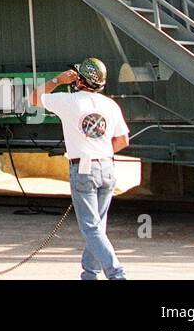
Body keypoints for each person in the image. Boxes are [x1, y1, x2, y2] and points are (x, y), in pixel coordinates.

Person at [29, 57, 130, 280]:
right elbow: (123, 140)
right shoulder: (110, 105)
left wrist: (58, 79)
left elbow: (34, 98)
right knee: (98, 227)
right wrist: (100, 151)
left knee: (91, 228)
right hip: (107, 166)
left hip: (83, 168)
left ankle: (117, 274)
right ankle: (90, 274)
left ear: (80, 79)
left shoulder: (70, 101)